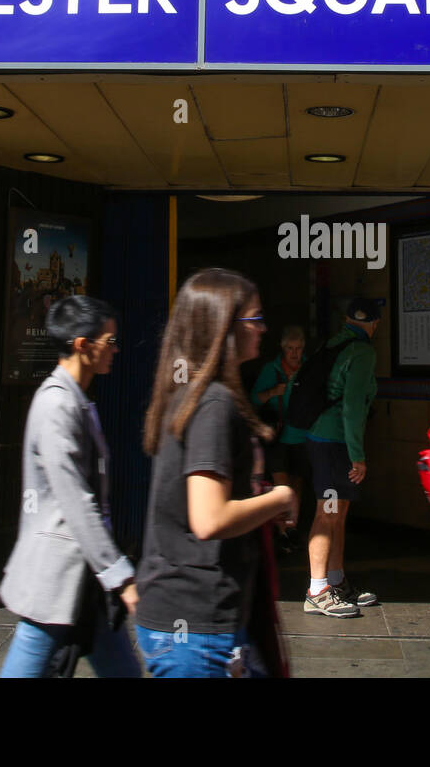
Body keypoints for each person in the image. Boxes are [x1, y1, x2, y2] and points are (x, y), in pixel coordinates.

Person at [135, 268, 297, 677]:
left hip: (194, 616)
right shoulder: (213, 403)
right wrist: (280, 497)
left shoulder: (187, 395)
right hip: (196, 621)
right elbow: (208, 520)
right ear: (225, 326)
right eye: (254, 319)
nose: (263, 329)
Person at [0, 295, 140, 678]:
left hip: (84, 581)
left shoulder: (75, 400)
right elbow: (75, 500)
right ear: (82, 345)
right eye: (109, 341)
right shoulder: (57, 406)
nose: (115, 349)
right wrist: (120, 575)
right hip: (56, 577)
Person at [303, 298, 381, 618]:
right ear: (374, 324)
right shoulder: (362, 352)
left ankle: (335, 580)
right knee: (328, 512)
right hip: (334, 443)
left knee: (338, 511)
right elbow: (351, 408)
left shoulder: (334, 344)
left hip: (323, 439)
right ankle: (317, 589)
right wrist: (357, 456)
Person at [250, 325, 309, 550]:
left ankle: (291, 528)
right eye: (290, 349)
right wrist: (274, 392)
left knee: (297, 487)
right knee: (282, 487)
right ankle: (282, 531)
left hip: (302, 436)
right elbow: (254, 399)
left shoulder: (307, 368)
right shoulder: (271, 370)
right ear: (283, 349)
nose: (295, 353)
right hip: (278, 437)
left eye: (299, 348)